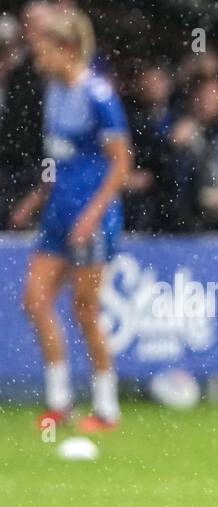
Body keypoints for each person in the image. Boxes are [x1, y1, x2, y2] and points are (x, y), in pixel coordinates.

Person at [11, 5, 131, 432]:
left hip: (90, 214)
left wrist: (93, 214)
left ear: (67, 49)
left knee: (85, 310)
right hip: (59, 211)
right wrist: (38, 195)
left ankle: (106, 407)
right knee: (35, 300)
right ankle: (59, 402)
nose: (39, 59)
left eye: (44, 51)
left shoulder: (99, 97)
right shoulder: (54, 91)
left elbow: (121, 164)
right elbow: (59, 155)